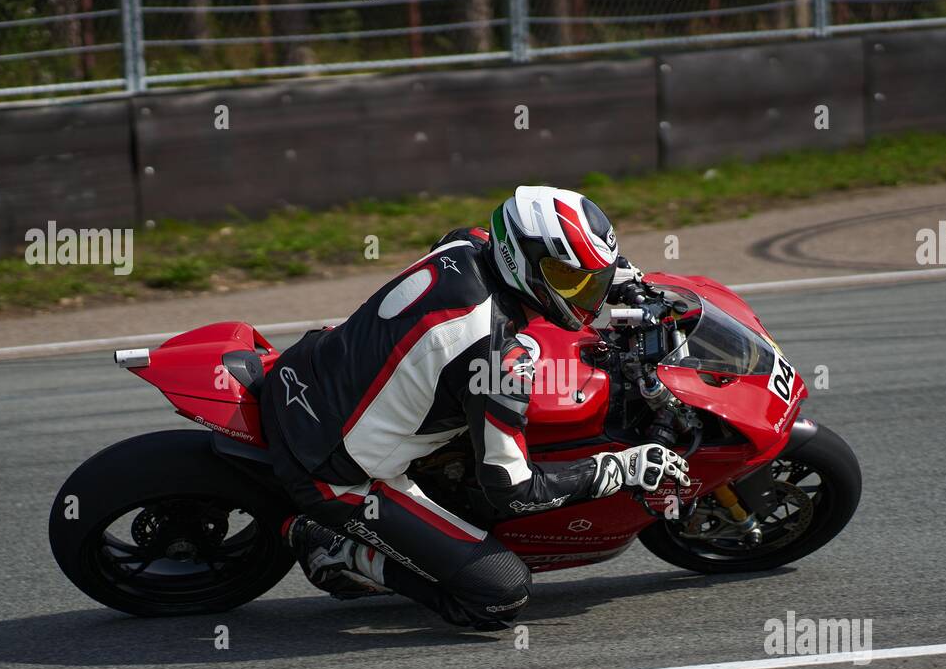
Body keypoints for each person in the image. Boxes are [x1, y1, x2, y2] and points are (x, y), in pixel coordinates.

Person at [262, 185, 689, 630]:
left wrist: (617, 276)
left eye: (589, 280)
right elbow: (514, 489)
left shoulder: (468, 242)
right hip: (332, 470)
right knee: (501, 593)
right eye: (569, 279)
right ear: (520, 263)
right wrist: (622, 468)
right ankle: (337, 548)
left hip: (304, 369)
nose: (587, 297)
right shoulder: (497, 360)